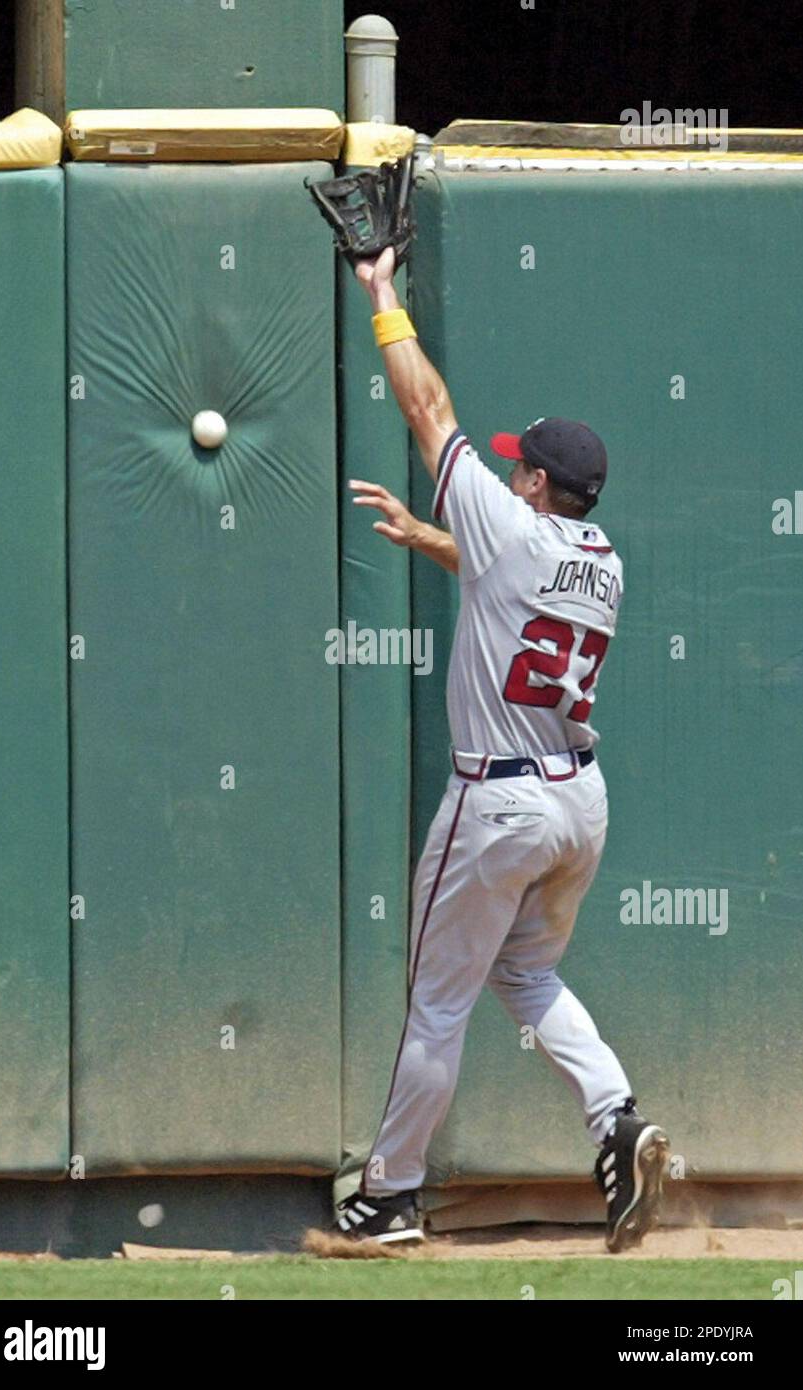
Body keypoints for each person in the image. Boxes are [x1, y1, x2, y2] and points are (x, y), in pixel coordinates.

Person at [332, 247, 668, 1255]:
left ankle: (388, 1195)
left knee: (438, 1003)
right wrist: (430, 539)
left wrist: (382, 294)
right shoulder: (599, 561)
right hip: (580, 804)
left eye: (521, 463)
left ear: (536, 483)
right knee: (524, 976)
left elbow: (429, 410)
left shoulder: (512, 527)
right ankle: (614, 1114)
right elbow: (508, 573)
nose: (509, 467)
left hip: (499, 807)